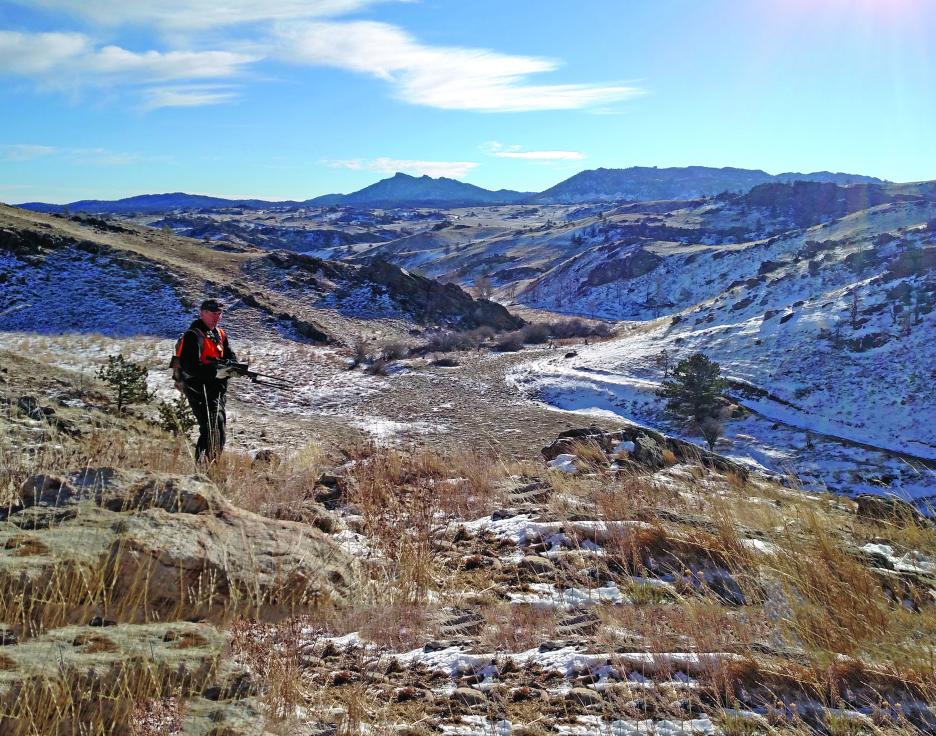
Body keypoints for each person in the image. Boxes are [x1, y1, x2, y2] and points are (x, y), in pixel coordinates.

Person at [177, 298, 237, 462]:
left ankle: (213, 466)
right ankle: (202, 470)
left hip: (217, 391)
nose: (216, 317)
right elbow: (190, 367)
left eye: (219, 314)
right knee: (210, 430)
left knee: (220, 429)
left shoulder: (220, 334)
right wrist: (215, 372)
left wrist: (234, 367)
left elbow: (230, 356)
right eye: (212, 313)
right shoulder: (193, 335)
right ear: (202, 313)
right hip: (198, 390)